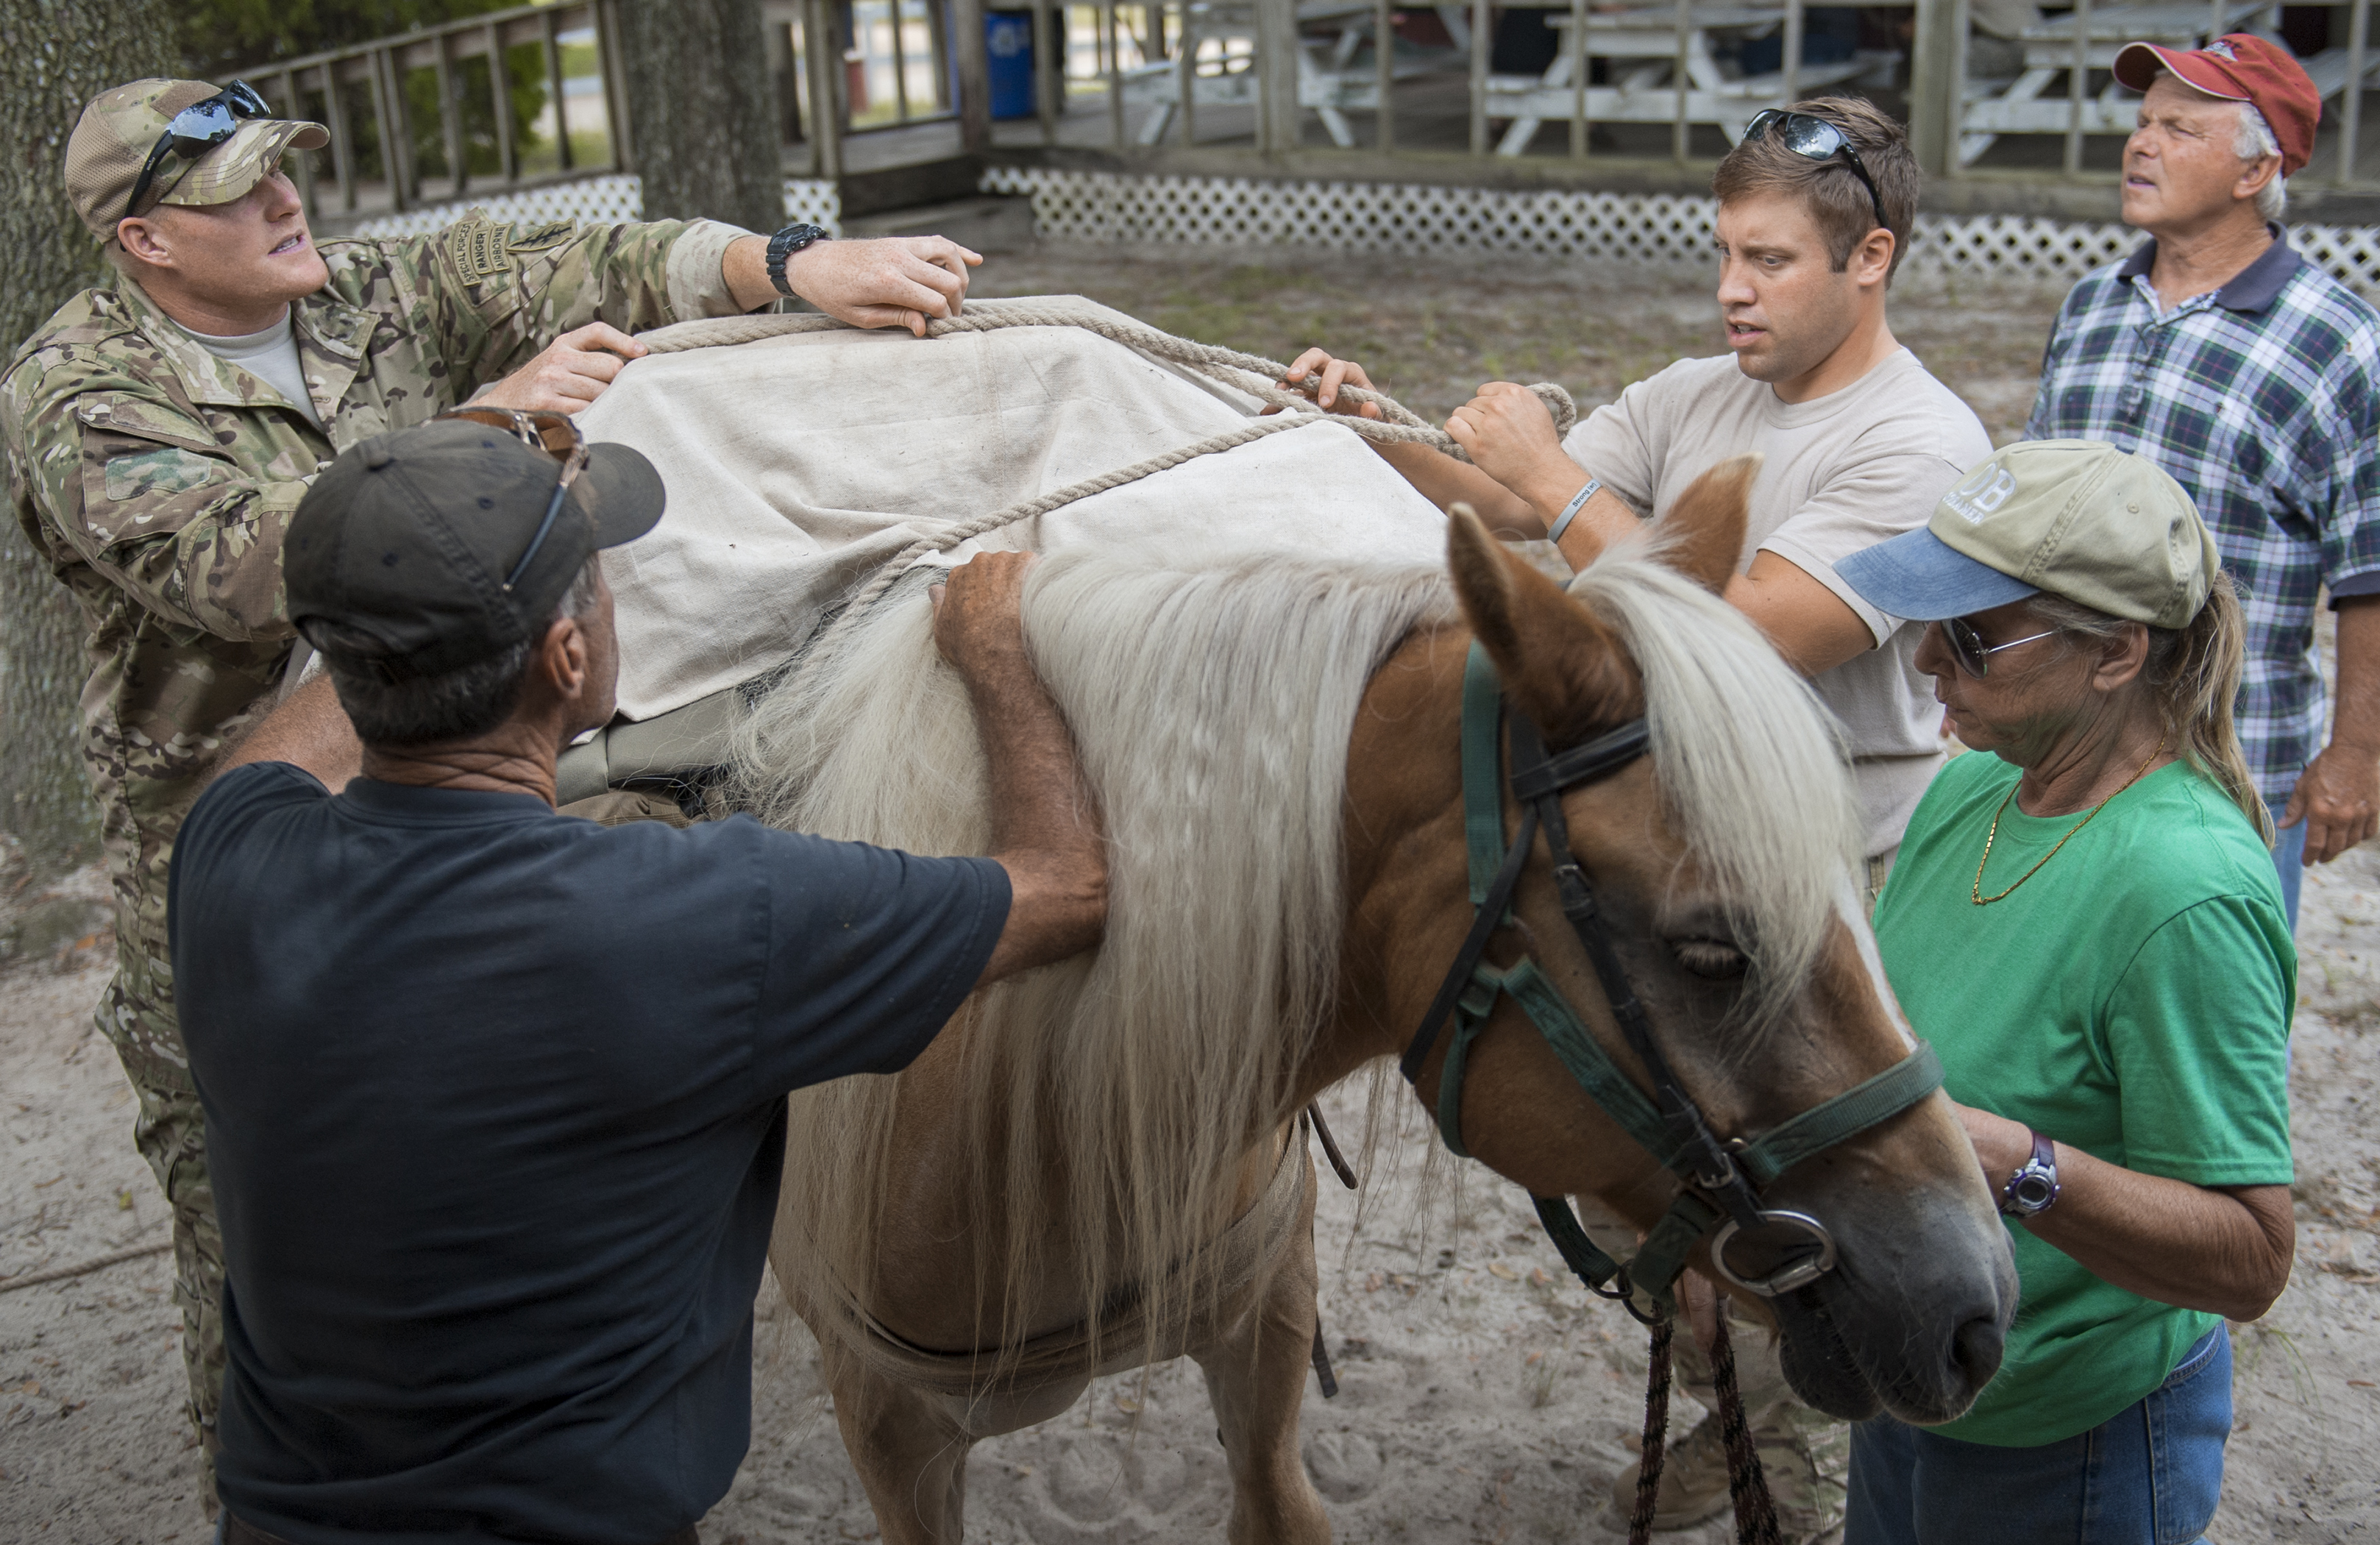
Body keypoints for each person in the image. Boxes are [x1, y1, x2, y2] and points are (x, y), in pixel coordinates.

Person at [0, 74, 983, 1491]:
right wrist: (484, 430)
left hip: (452, 782)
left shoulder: (361, 288)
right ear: (145, 242)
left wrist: (790, 263)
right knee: (256, 1200)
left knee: (492, 1122)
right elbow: (245, 568)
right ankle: (271, 1483)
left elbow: (587, 257)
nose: (285, 199)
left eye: (284, 166)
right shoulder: (78, 391)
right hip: (238, 831)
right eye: (238, 191)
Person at [171, 414, 1106, 1545]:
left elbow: (273, 755)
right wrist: (997, 648)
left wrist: (413, 533)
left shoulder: (228, 859)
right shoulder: (710, 915)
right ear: (568, 658)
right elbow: (1063, 888)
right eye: (600, 578)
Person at [1280, 96, 1989, 1540]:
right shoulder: (1694, 396)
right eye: (1726, 253)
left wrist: (1554, 477)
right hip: (1679, 847)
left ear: (1870, 261)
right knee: (1659, 1158)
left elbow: (1741, 630)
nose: (1734, 288)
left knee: (1797, 1170)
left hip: (1829, 871)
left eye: (1771, 259)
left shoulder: (1916, 442)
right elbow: (1503, 508)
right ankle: (1736, 1401)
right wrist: (1363, 427)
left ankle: (1779, 1473)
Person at [1834, 439, 2295, 1544]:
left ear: (2116, 653)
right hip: (1915, 1365)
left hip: (2066, 1437)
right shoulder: (1970, 792)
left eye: (1973, 635)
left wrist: (2017, 1163)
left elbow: (2248, 1256)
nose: (1926, 659)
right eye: (1928, 622)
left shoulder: (2180, 889)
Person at [2025, 35, 2380, 928]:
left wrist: (2356, 754)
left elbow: (2370, 573)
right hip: (2059, 751)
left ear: (2254, 171)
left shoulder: (2338, 341)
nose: (2140, 143)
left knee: (2207, 1006)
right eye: (2142, 122)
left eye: (2178, 129)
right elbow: (2030, 519)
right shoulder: (2091, 305)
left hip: (2227, 770)